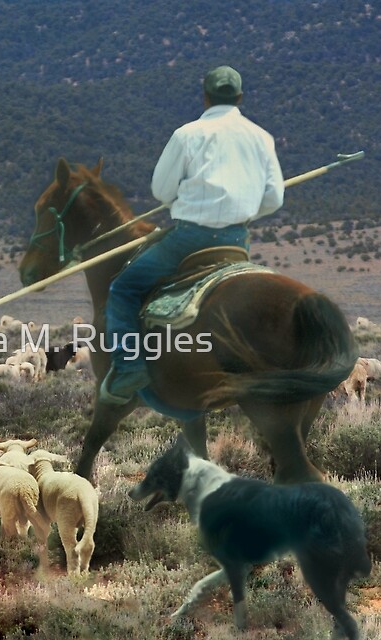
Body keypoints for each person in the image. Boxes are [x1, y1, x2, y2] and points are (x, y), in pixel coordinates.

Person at [99, 65, 285, 405]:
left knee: (123, 289)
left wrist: (189, 200)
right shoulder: (261, 137)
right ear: (241, 98)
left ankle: (129, 366)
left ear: (205, 96)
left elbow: (161, 190)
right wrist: (241, 211)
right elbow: (274, 199)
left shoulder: (187, 135)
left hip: (189, 240)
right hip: (236, 241)